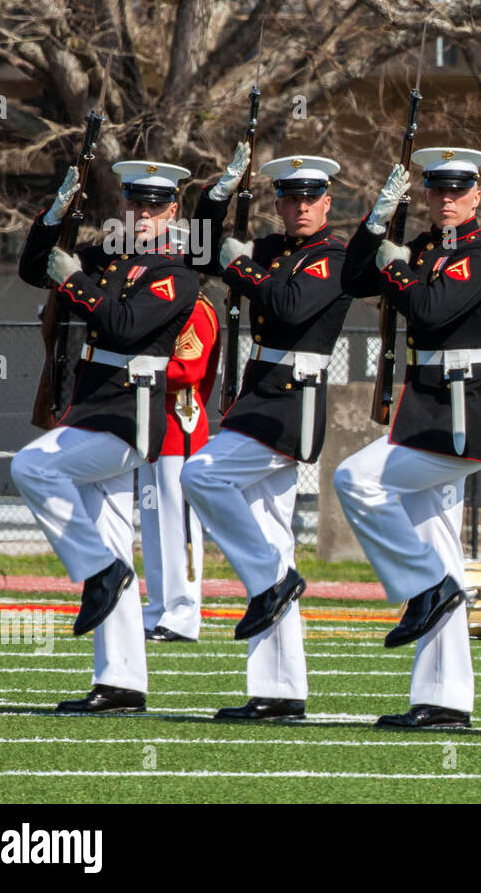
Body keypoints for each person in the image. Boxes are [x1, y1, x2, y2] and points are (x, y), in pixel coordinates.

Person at [11, 159, 198, 712]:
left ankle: (99, 572)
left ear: (172, 212)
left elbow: (121, 324)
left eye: (153, 206)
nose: (141, 214)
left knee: (33, 466)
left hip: (129, 420)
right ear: (123, 208)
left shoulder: (176, 274)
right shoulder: (104, 260)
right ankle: (121, 683)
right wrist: (54, 214)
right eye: (133, 204)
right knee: (113, 534)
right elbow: (32, 268)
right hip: (92, 409)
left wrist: (74, 280)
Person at [334, 148, 481, 729]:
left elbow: (430, 310)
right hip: (427, 412)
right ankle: (444, 699)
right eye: (436, 191)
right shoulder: (426, 249)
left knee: (355, 478)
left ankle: (424, 588)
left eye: (458, 191)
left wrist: (397, 265)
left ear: (478, 196)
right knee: (439, 545)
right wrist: (376, 223)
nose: (447, 200)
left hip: (460, 417)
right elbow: (352, 278)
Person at [182, 149, 352, 721]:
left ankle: (273, 582)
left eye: (310, 198)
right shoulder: (275, 249)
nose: (300, 207)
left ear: (327, 203)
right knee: (273, 534)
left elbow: (287, 301)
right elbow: (199, 250)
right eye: (290, 198)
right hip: (259, 394)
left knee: (200, 474)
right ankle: (279, 691)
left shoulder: (334, 257)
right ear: (278, 202)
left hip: (290, 400)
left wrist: (239, 264)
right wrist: (216, 197)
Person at [141, 289, 219, 642]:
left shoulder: (195, 308)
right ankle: (158, 607)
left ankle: (184, 612)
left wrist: (138, 368)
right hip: (150, 424)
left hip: (178, 423)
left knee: (180, 525)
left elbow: (189, 369)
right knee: (154, 525)